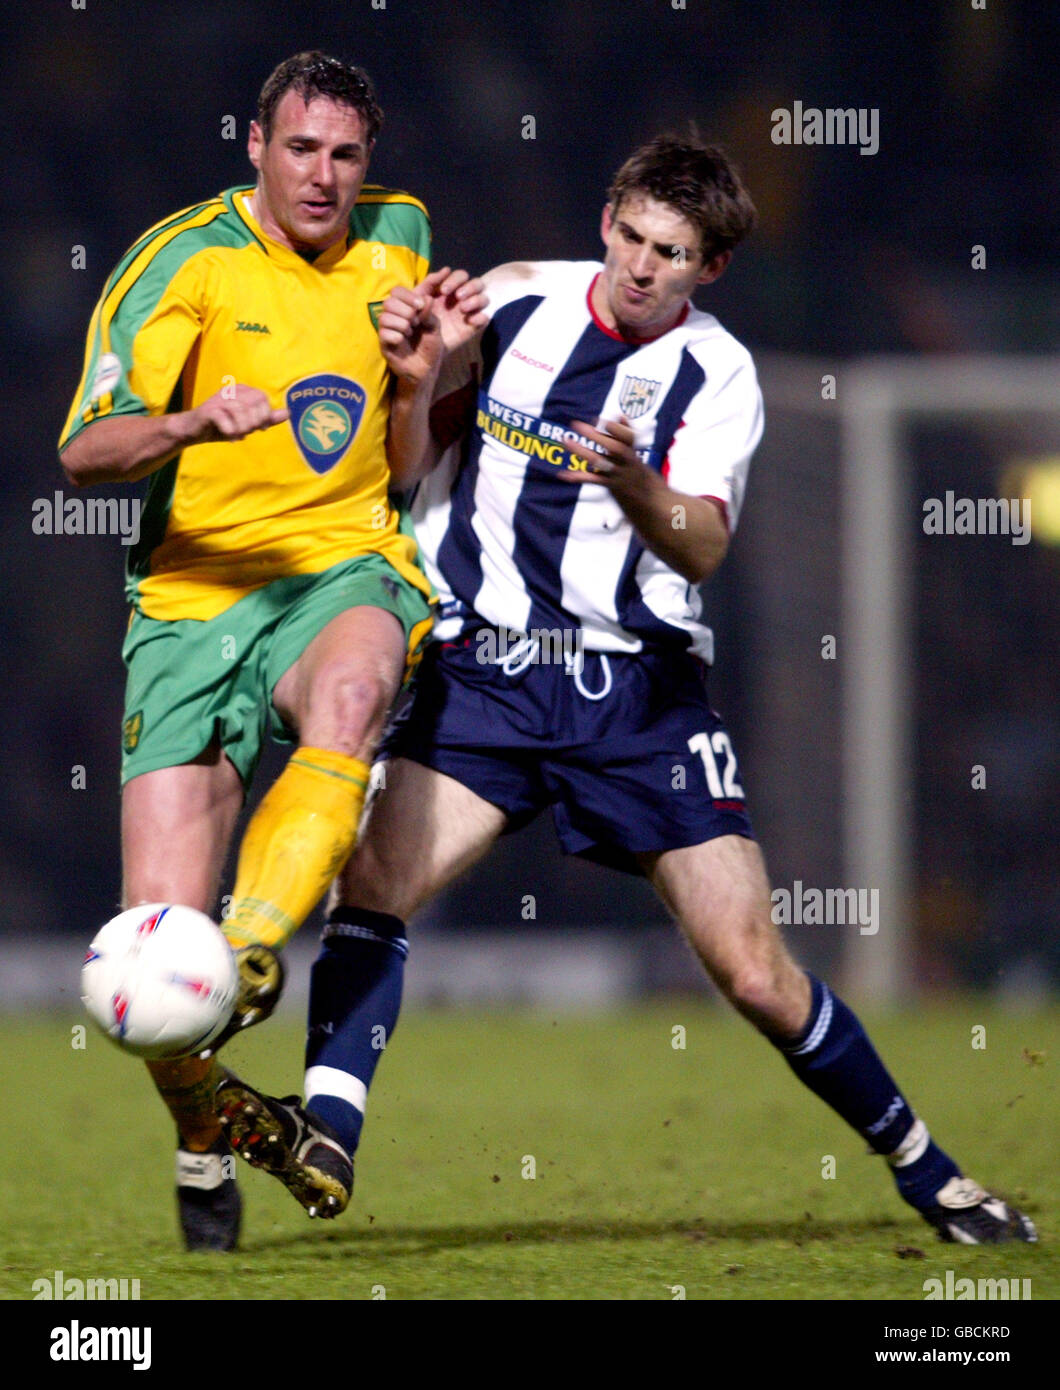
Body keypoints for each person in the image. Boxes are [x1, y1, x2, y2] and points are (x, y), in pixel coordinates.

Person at [215, 132, 1036, 1246]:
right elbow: (405, 471)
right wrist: (420, 368)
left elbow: (699, 548)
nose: (645, 267)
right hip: (484, 672)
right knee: (373, 881)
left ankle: (927, 1169)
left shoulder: (721, 374)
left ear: (711, 270)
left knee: (753, 973)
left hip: (635, 698)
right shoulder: (509, 302)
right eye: (637, 238)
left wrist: (635, 481)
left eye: (676, 254)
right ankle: (328, 1129)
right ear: (608, 220)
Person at [58, 50, 485, 1252]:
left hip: (338, 566)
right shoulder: (176, 260)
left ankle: (249, 960)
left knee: (352, 691)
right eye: (301, 150)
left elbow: (408, 468)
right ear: (255, 145)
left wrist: (431, 373)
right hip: (191, 603)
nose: (324, 177)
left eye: (346, 156)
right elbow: (84, 454)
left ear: (370, 164)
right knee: (148, 970)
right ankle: (219, 1134)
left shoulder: (401, 238)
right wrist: (195, 418)